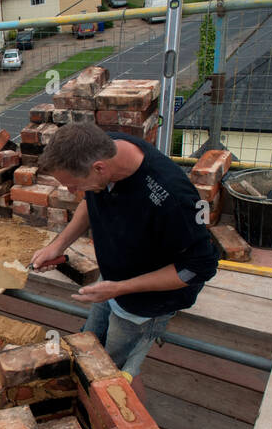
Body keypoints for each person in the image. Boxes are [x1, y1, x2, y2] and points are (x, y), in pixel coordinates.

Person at [30, 122, 219, 378]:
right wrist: (58, 245)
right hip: (112, 282)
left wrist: (119, 288)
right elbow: (91, 200)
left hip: (145, 301)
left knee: (111, 371)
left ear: (99, 168)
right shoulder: (103, 148)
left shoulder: (173, 198)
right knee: (86, 345)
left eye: (74, 185)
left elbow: (198, 269)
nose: (71, 192)